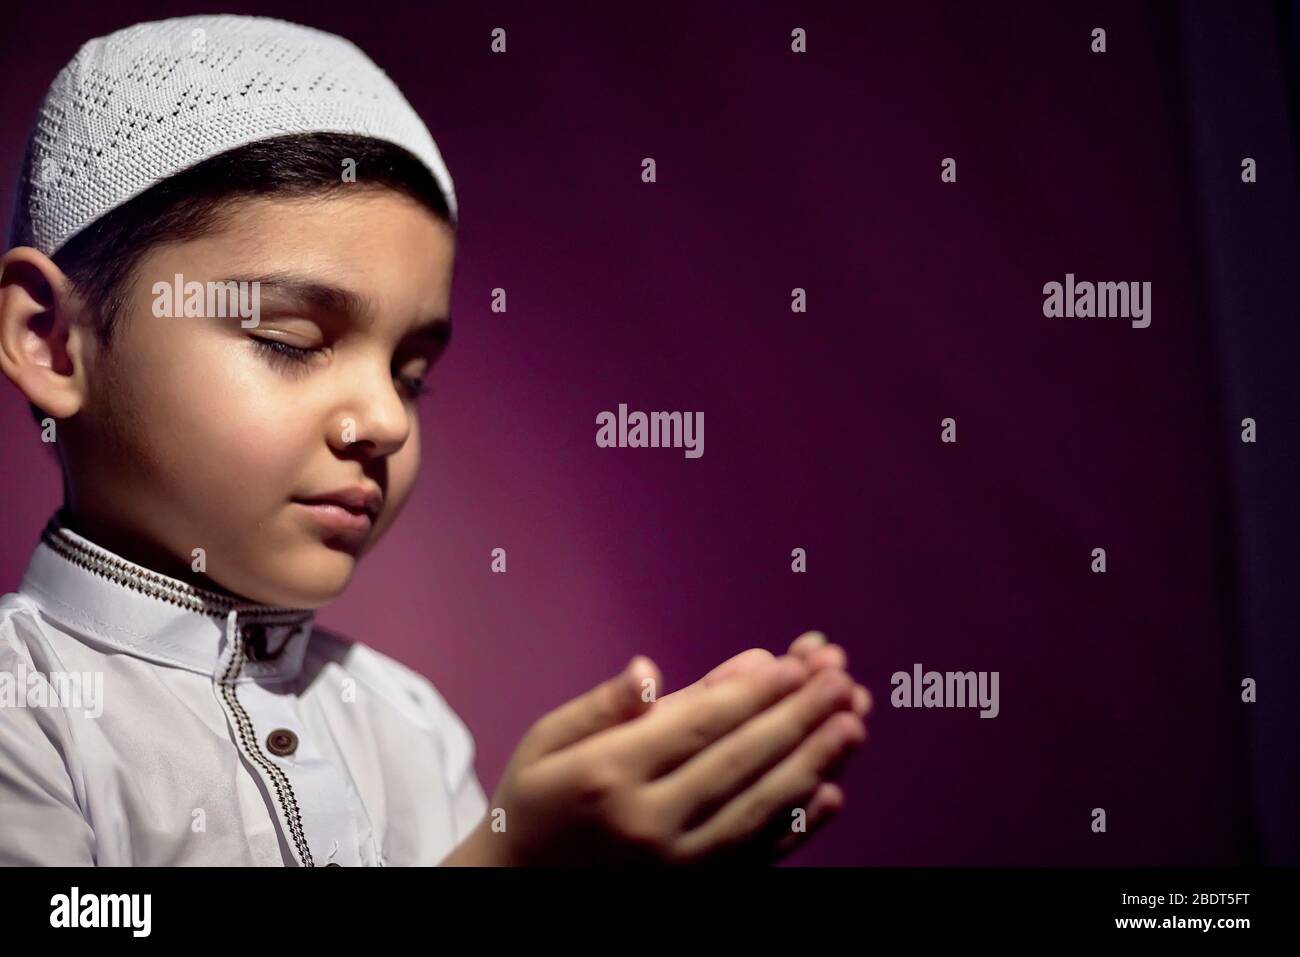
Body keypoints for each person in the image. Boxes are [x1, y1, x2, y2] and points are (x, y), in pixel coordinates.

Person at [0, 14, 869, 866]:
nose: (385, 420)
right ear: (51, 338)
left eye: (410, 376)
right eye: (290, 339)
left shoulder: (408, 722)